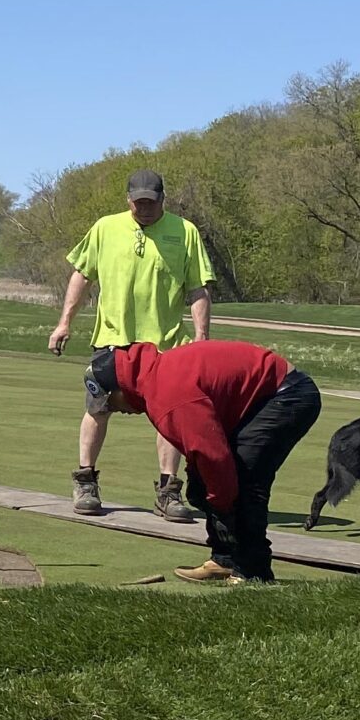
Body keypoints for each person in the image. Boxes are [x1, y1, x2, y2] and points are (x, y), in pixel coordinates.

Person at [48, 168, 213, 521]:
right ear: (128, 200)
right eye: (138, 202)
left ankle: (169, 492)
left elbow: (198, 288)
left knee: (171, 418)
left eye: (151, 202)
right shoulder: (105, 228)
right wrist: (64, 323)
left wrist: (201, 338)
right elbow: (82, 274)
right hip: (113, 341)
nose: (145, 209)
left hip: (166, 345)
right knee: (98, 409)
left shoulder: (184, 232)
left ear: (162, 200)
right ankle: (85, 482)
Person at [87, 341, 319, 584]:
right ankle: (224, 560)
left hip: (287, 395)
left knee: (244, 483)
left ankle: (253, 572)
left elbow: (214, 457)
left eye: (110, 400)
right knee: (202, 489)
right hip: (262, 398)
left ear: (121, 387)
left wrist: (222, 506)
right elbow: (200, 446)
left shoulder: (167, 395)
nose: (113, 408)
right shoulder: (151, 383)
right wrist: (208, 493)